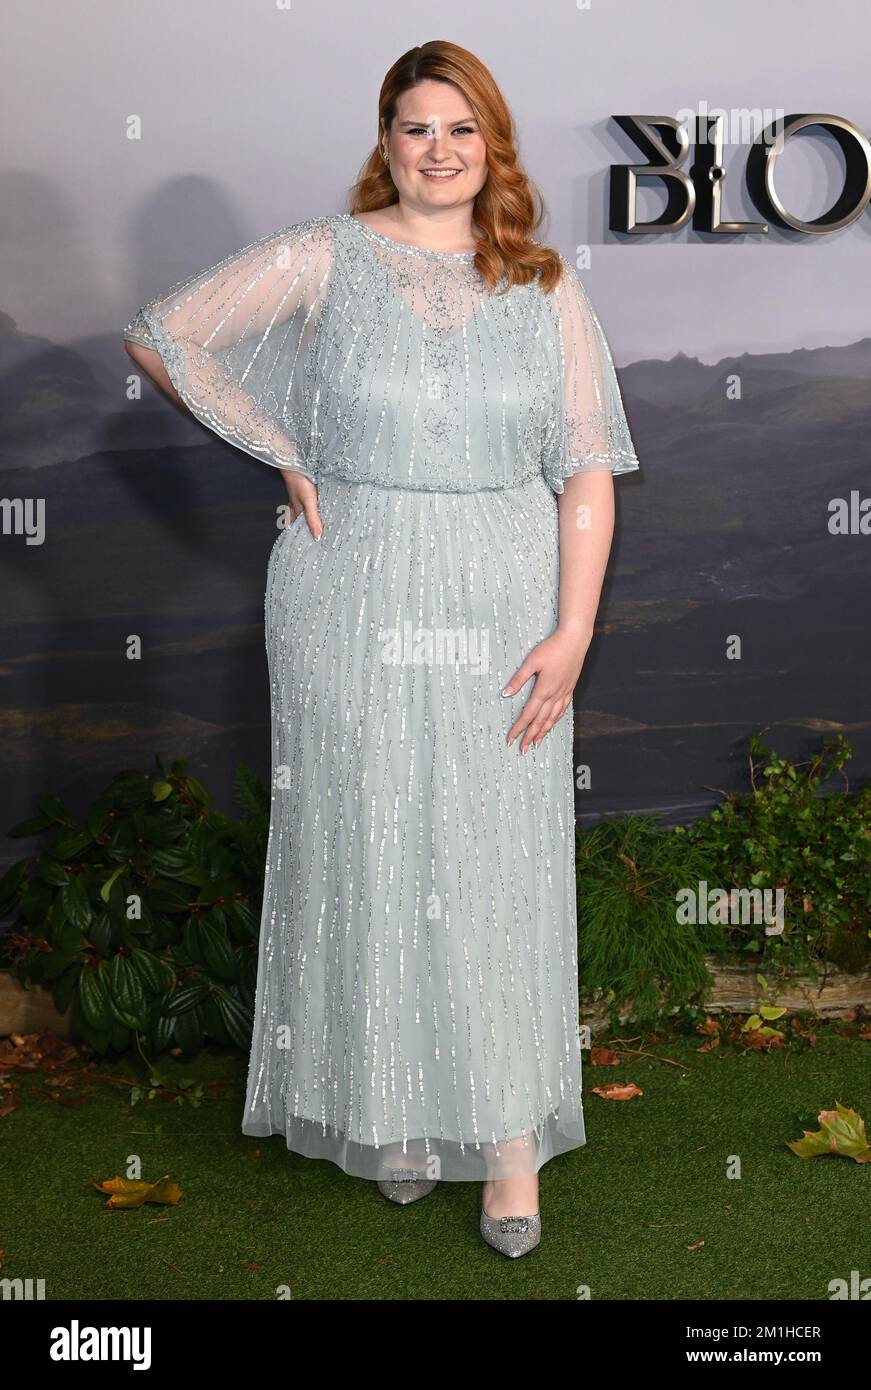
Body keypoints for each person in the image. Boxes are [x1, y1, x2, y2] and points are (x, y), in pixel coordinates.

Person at [123, 39, 640, 1260]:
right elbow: (164, 332)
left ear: (491, 144)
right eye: (417, 127)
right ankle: (400, 1113)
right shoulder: (325, 254)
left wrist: (572, 630)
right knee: (369, 831)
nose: (440, 150)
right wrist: (281, 446)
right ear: (386, 139)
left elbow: (586, 471)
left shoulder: (545, 284)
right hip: (343, 587)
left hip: (503, 592)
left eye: (462, 129)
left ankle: (507, 1139)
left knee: (490, 846)